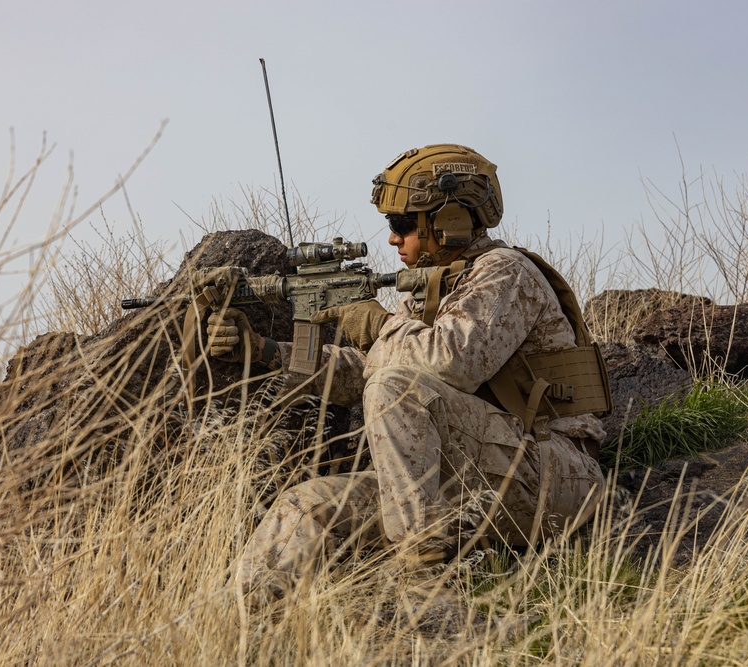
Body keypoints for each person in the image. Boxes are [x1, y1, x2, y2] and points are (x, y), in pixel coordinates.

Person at [206, 144, 611, 599]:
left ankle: (425, 584)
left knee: (397, 388)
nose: (393, 240)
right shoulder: (430, 285)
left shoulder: (506, 272)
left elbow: (452, 362)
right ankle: (234, 625)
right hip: (467, 481)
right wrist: (262, 353)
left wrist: (379, 324)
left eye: (402, 225)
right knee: (304, 508)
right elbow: (366, 374)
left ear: (449, 221)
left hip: (557, 478)